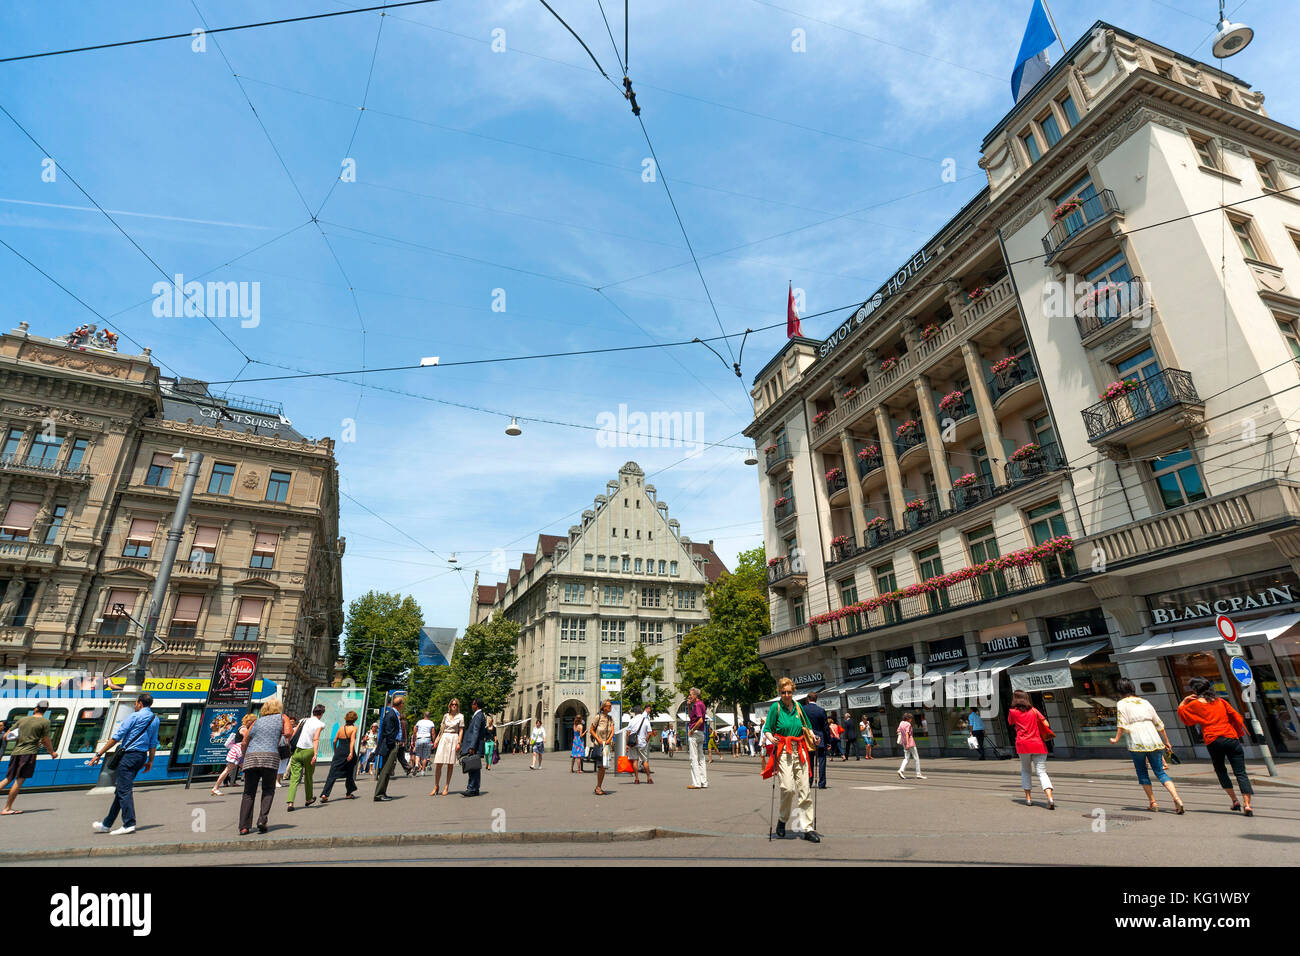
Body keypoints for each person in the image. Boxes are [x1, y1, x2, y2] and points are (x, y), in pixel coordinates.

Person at [1178, 676, 1255, 815]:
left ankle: (1234, 800)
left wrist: (1184, 701)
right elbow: (1235, 715)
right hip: (1231, 737)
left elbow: (1184, 716)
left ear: (1195, 691)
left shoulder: (1195, 704)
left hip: (1213, 740)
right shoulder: (1221, 701)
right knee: (1241, 772)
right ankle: (1247, 804)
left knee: (1221, 770)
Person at [88, 693, 159, 835]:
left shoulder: (134, 716)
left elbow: (116, 738)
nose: (134, 705)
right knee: (121, 789)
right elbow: (153, 743)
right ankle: (106, 824)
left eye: (135, 703)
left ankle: (129, 824)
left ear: (139, 703)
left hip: (129, 756)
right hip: (141, 757)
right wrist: (150, 761)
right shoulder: (155, 719)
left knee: (124, 790)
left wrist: (98, 754)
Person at [1110, 679, 1184, 814]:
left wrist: (1116, 739)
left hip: (1136, 740)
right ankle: (1176, 798)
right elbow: (1159, 723)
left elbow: (1122, 723)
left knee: (1142, 772)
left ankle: (1153, 802)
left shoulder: (1121, 703)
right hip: (1153, 738)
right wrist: (1166, 741)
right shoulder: (1145, 702)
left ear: (1120, 690)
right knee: (1160, 772)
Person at [761, 678, 819, 842]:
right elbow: (767, 728)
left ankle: (808, 829)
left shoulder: (799, 706)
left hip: (799, 750)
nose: (787, 695)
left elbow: (807, 726)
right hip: (784, 751)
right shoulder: (776, 707)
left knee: (805, 790)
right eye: (784, 692)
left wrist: (814, 737)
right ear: (780, 692)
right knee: (787, 788)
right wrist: (771, 738)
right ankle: (782, 820)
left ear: (793, 692)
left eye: (789, 692)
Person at [235, 698, 293, 834]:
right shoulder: (282, 717)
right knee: (268, 789)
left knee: (248, 793)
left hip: (251, 758)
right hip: (270, 757)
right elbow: (289, 733)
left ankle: (244, 826)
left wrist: (244, 757)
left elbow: (244, 742)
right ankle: (262, 820)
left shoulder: (256, 722)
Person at [1, 701, 57, 815]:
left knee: (8, 779)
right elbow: (46, 739)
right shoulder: (45, 722)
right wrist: (52, 752)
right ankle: (7, 808)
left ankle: (7, 808)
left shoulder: (22, 720)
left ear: (35, 708)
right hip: (28, 753)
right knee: (19, 780)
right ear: (45, 710)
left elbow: (6, 736)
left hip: (15, 752)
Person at [1007, 690, 1054, 809]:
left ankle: (1028, 798)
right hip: (1038, 744)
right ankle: (1049, 797)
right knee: (1042, 772)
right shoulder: (1034, 710)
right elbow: (1047, 725)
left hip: (1023, 745)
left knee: (1026, 770)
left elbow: (1010, 722)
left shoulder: (1012, 712)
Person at [287, 703, 325, 810]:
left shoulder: (303, 720)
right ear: (321, 713)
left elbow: (294, 734)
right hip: (309, 751)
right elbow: (316, 739)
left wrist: (290, 747)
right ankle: (308, 798)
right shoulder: (320, 724)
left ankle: (290, 802)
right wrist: (315, 754)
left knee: (294, 777)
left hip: (297, 751)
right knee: (308, 776)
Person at [320, 709, 360, 802]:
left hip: (339, 751)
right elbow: (352, 742)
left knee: (332, 773)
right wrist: (350, 753)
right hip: (348, 751)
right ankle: (349, 793)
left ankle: (325, 794)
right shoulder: (354, 728)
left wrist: (335, 750)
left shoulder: (341, 728)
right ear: (354, 720)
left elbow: (334, 741)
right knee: (350, 772)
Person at [212, 713, 256, 796]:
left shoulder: (244, 728)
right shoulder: (244, 729)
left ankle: (249, 788)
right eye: (253, 721)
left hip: (239, 751)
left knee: (248, 769)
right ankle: (215, 788)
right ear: (249, 721)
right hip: (238, 751)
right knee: (228, 770)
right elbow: (248, 739)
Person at [373, 695, 404, 802]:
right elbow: (389, 732)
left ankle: (382, 793)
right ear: (400, 705)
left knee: (387, 770)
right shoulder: (391, 715)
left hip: (392, 744)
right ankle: (379, 794)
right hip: (390, 745)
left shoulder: (393, 714)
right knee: (386, 770)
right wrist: (393, 744)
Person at [430, 699, 464, 797]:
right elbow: (441, 729)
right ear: (449, 706)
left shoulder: (460, 716)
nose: (454, 706)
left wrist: (459, 743)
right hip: (444, 738)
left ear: (458, 706)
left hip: (454, 738)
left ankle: (446, 786)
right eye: (452, 704)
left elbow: (461, 730)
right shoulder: (445, 716)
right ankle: (436, 786)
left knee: (450, 764)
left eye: (456, 704)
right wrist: (436, 741)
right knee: (439, 763)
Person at [803, 691, 830, 789]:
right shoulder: (821, 710)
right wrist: (828, 741)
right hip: (820, 738)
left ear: (808, 699)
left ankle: (809, 782)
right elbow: (826, 728)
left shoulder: (804, 709)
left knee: (809, 762)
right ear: (816, 699)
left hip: (808, 739)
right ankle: (822, 783)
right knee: (822, 761)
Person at [460, 699, 486, 797]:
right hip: (475, 745)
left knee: (472, 767)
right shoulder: (478, 715)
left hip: (475, 746)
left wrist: (472, 746)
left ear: (476, 705)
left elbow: (476, 731)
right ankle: (475, 789)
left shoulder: (478, 716)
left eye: (473, 704)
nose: (471, 705)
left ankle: (471, 789)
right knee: (475, 767)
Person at [589, 700, 615, 795]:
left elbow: (612, 731)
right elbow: (591, 730)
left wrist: (608, 741)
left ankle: (598, 786)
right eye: (609, 706)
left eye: (610, 706)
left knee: (604, 767)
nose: (610, 707)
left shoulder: (610, 718)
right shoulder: (598, 717)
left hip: (607, 745)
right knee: (601, 766)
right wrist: (598, 739)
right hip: (599, 744)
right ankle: (598, 787)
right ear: (604, 707)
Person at [686, 687, 708, 790]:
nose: (689, 696)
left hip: (695, 733)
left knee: (693, 758)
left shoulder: (698, 705)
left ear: (695, 695)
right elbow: (693, 717)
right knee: (701, 758)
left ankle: (696, 783)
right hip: (701, 733)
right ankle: (703, 782)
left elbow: (699, 721)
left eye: (691, 694)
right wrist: (689, 705)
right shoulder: (700, 704)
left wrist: (691, 730)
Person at [628, 703, 654, 784]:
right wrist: (646, 740)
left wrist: (627, 743)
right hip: (642, 743)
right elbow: (649, 733)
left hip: (633, 743)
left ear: (635, 712)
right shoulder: (645, 720)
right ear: (641, 711)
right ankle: (649, 778)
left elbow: (628, 733)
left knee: (635, 760)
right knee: (644, 760)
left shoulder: (632, 720)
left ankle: (636, 779)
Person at [894, 712, 924, 780]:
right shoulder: (908, 724)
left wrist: (903, 739)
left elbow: (898, 731)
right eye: (911, 718)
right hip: (910, 742)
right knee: (916, 758)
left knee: (906, 758)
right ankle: (918, 774)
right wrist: (908, 743)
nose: (911, 720)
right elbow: (907, 733)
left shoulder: (901, 723)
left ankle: (901, 770)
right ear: (908, 718)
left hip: (904, 743)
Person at [413, 711, 435, 775]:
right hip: (427, 739)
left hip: (419, 739)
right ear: (429, 716)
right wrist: (433, 741)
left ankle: (417, 765)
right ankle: (423, 771)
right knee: (425, 756)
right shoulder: (431, 723)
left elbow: (415, 730)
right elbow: (433, 733)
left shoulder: (419, 722)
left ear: (424, 715)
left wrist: (414, 739)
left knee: (418, 754)